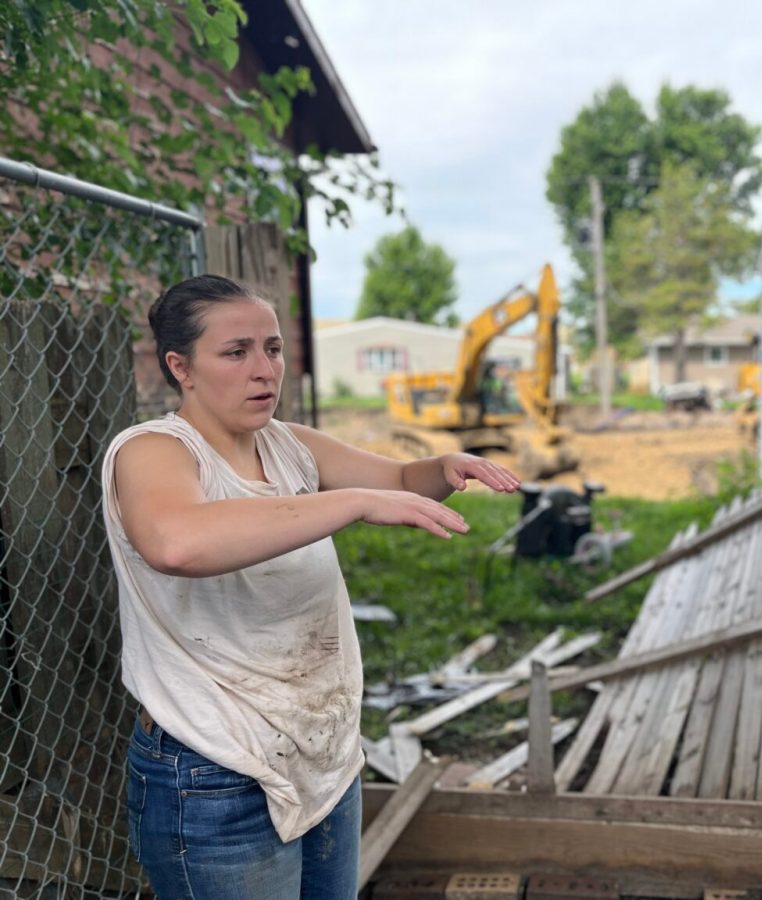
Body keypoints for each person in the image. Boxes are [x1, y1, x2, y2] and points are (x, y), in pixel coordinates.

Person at [100, 275, 520, 900]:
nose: (263, 369)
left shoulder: (288, 445)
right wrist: (351, 502)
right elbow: (177, 543)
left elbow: (401, 477)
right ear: (180, 367)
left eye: (272, 348)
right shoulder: (153, 450)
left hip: (323, 752)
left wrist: (442, 469)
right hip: (217, 771)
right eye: (235, 352)